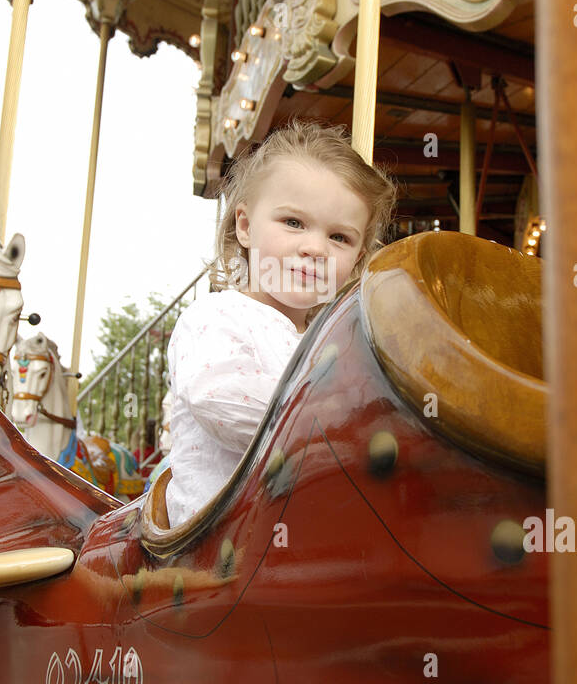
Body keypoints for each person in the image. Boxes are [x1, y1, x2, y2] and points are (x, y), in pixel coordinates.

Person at [157, 120, 397, 528]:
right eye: (294, 223)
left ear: (357, 258)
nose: (315, 248)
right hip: (225, 533)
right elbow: (218, 399)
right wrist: (346, 418)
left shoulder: (339, 339)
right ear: (245, 226)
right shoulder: (216, 316)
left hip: (306, 526)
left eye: (340, 237)